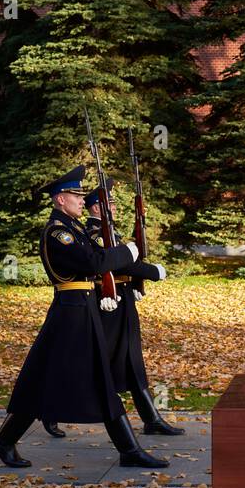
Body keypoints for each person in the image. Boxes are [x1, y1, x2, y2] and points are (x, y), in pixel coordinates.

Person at [0, 166, 168, 469]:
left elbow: (96, 262)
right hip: (70, 312)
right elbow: (93, 262)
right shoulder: (59, 233)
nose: (82, 201)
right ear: (60, 199)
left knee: (61, 379)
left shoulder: (75, 229)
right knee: (77, 378)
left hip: (80, 309)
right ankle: (128, 450)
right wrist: (128, 252)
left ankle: (3, 441)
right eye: (76, 195)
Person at [44, 185, 184, 439]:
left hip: (116, 299)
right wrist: (152, 272)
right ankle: (50, 412)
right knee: (95, 366)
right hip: (105, 305)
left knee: (129, 361)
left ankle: (149, 420)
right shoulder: (83, 232)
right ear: (98, 207)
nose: (116, 208)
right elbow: (102, 263)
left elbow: (114, 263)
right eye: (111, 203)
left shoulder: (83, 230)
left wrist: (132, 284)